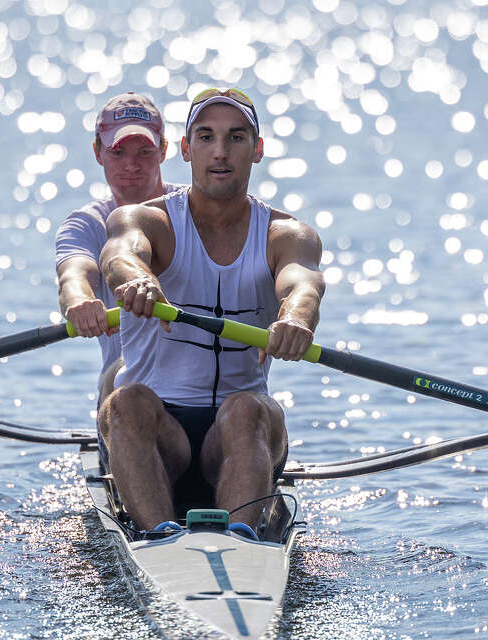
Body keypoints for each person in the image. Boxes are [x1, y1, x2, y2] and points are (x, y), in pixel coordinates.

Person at [98, 88, 325, 537]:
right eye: (205, 137)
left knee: (246, 410)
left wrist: (297, 318)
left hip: (237, 436)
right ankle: (159, 537)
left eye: (236, 138)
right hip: (159, 432)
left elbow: (303, 284)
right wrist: (137, 279)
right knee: (125, 401)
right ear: (185, 149)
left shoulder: (286, 234)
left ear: (257, 150)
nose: (220, 153)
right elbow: (120, 254)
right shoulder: (148, 219)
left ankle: (240, 544)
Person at [55, 92, 182, 400]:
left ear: (164, 151)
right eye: (118, 152)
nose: (132, 165)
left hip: (201, 379)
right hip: (126, 388)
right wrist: (80, 301)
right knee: (132, 376)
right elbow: (74, 274)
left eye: (144, 152)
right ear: (98, 152)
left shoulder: (194, 210)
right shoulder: (86, 225)